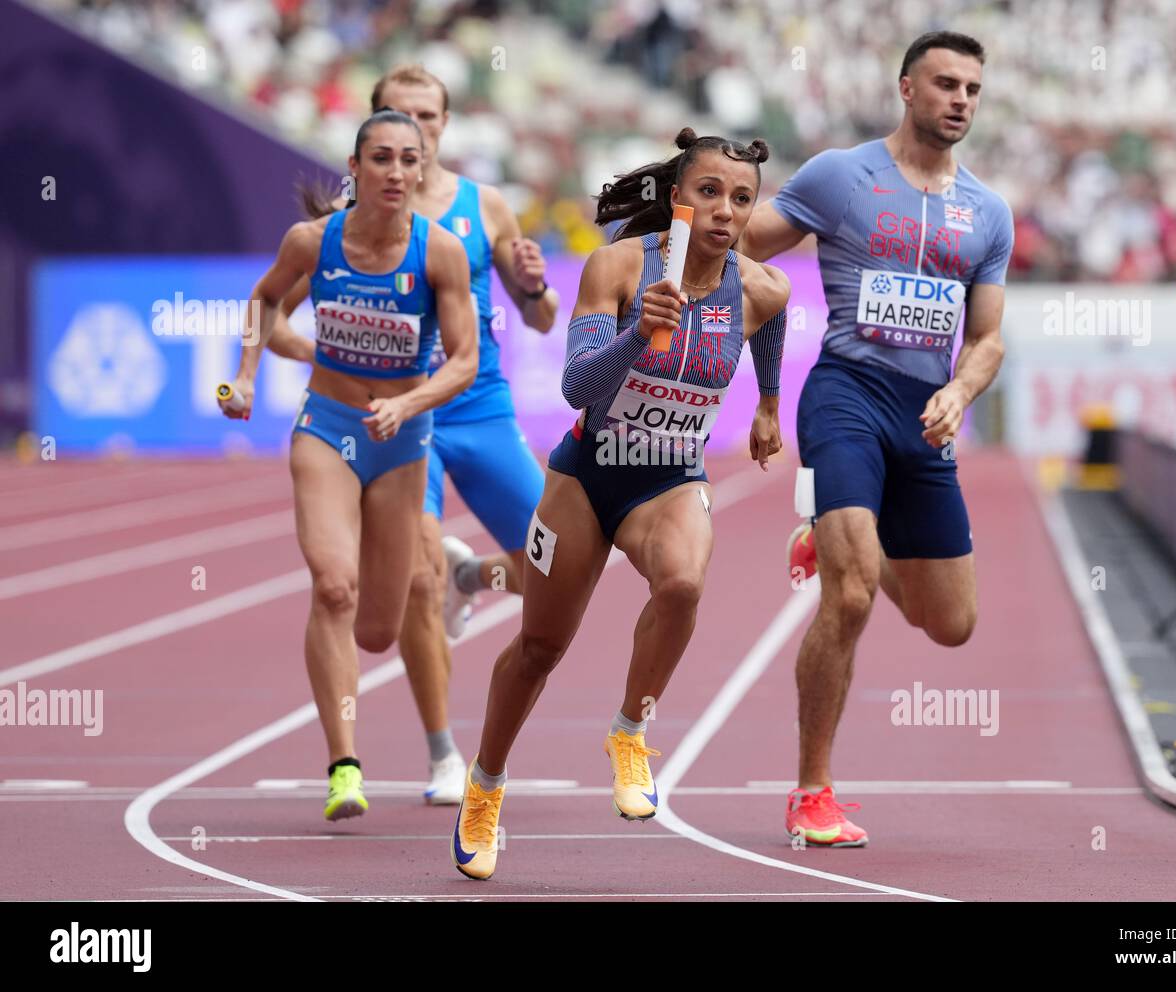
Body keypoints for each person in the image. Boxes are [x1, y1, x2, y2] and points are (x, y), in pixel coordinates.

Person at [451, 128, 790, 880]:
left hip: (668, 476)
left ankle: (631, 730)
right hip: (586, 474)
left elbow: (770, 326)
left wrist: (769, 403)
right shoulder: (618, 267)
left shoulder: (760, 288)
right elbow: (576, 389)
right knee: (540, 646)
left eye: (742, 199)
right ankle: (485, 785)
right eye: (709, 193)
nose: (726, 212)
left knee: (683, 583)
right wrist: (641, 331)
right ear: (677, 199)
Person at [739, 31, 1014, 847]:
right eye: (945, 83)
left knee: (952, 623)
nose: (960, 99)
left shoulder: (988, 213)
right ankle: (811, 793)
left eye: (972, 87)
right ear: (906, 88)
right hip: (846, 394)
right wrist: (684, 223)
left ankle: (831, 542)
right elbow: (744, 244)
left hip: (924, 412)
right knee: (852, 595)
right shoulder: (840, 175)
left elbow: (989, 338)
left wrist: (961, 391)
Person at [268, 65, 559, 805]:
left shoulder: (483, 207)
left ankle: (477, 576)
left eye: (427, 118)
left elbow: (541, 317)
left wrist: (534, 284)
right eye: (398, 119)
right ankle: (442, 757)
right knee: (411, 585)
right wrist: (311, 358)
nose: (415, 132)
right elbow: (276, 306)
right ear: (371, 135)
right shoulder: (344, 220)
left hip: (481, 406)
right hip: (392, 421)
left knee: (559, 561)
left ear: (443, 129)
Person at [222, 108, 477, 821]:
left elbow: (465, 360)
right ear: (356, 167)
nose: (397, 172)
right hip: (327, 429)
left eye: (409, 160)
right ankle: (343, 766)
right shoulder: (314, 240)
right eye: (382, 159)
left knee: (377, 630)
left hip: (402, 441)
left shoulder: (438, 254)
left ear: (423, 170)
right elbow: (266, 300)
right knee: (334, 587)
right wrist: (247, 373)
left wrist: (410, 402)